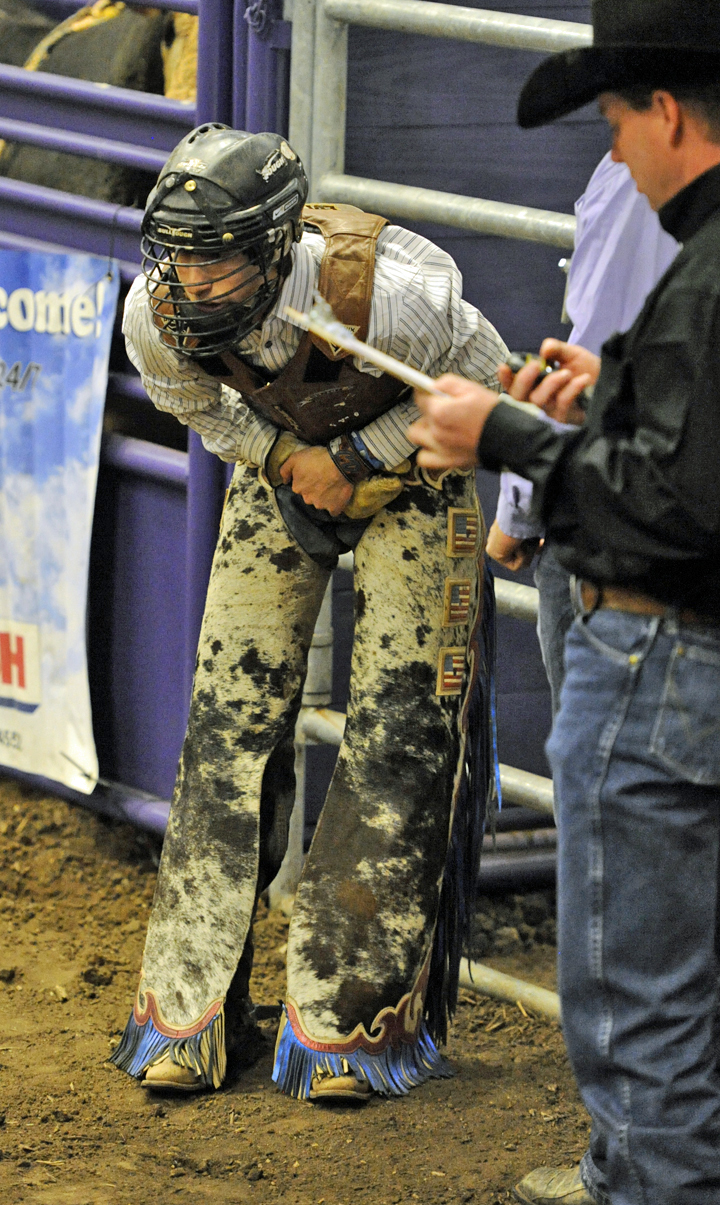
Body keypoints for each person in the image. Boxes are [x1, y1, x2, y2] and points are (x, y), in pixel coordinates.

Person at [110, 123, 508, 1101]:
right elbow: (198, 406)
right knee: (227, 719)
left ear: (273, 246)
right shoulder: (154, 317)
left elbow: (488, 375)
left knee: (401, 725)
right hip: (283, 460)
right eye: (176, 258)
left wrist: (360, 458)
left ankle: (347, 1026)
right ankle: (189, 1015)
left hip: (415, 466)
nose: (188, 282)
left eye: (215, 261)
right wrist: (289, 459)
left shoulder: (393, 297)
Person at [408, 1, 720, 1200]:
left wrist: (511, 437)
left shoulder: (706, 263)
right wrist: (615, 393)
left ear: (669, 113)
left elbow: (676, 506)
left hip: (668, 652)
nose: (619, 154)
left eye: (617, 123)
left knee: (642, 1019)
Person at [487, 152, 678, 716]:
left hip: (627, 521)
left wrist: (521, 509)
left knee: (605, 750)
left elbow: (601, 342)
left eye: (616, 119)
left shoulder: (643, 174)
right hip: (661, 508)